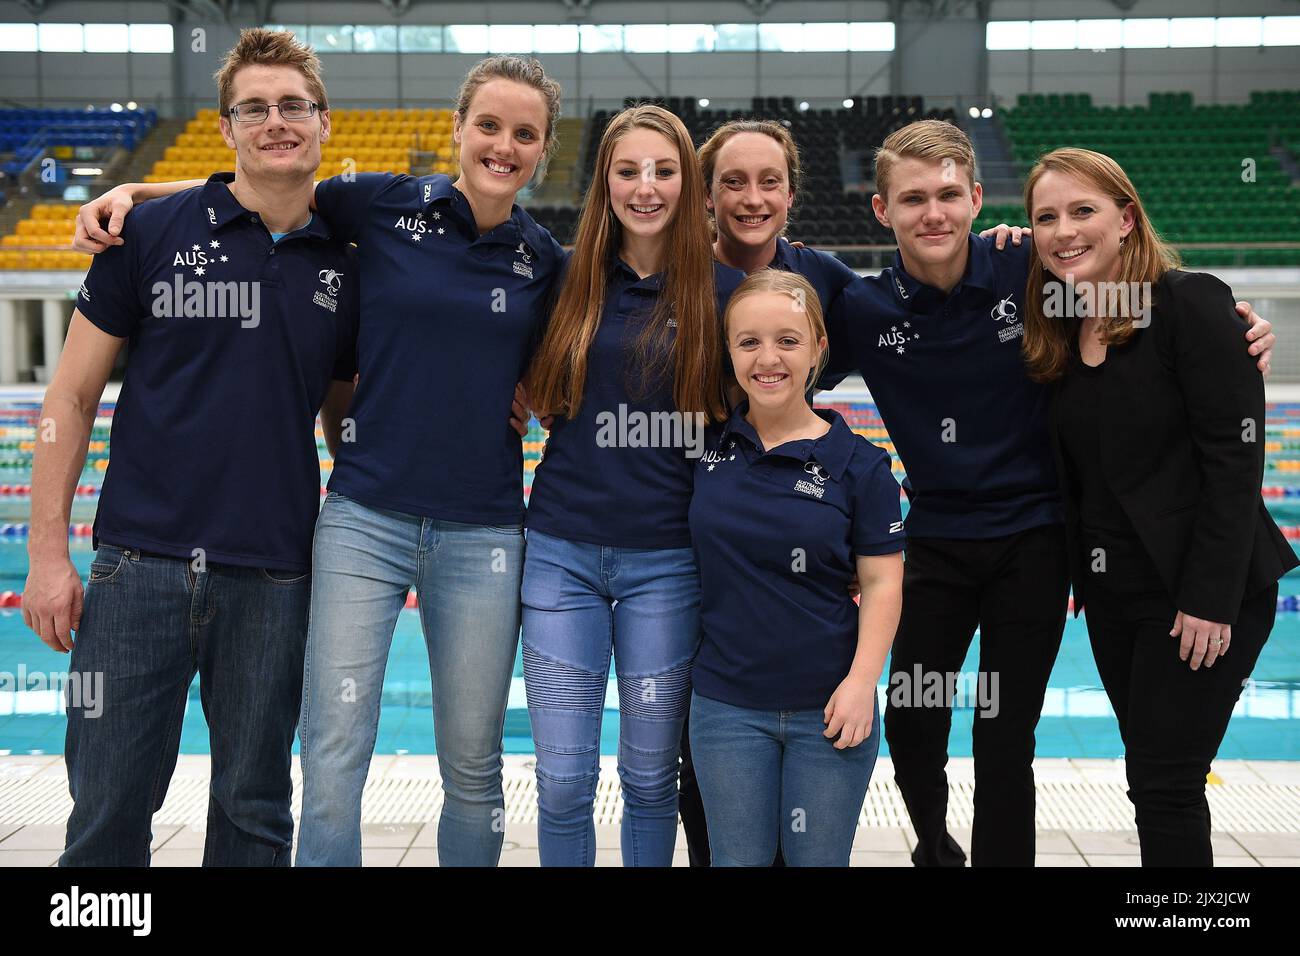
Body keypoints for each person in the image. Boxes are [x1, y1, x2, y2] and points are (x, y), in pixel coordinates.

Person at [75, 54, 568, 867]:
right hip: (362, 520)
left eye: (524, 134)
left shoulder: (544, 259)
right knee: (333, 759)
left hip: (483, 530)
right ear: (458, 130)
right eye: (488, 125)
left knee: (474, 766)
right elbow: (256, 188)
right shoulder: (382, 203)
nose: (503, 145)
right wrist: (131, 193)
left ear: (542, 148)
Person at [820, 119, 1276, 866]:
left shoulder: (1027, 272)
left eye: (946, 195)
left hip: (1034, 545)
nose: (931, 213)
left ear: (973, 198)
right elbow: (779, 368)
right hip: (935, 543)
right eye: (912, 199)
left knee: (1006, 736)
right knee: (910, 719)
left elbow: (1155, 303)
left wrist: (1242, 330)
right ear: (882, 211)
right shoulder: (865, 313)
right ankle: (934, 847)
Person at [24, 28, 358, 866]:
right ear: (225, 127)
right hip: (138, 565)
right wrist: (46, 554)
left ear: (324, 123)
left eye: (293, 106)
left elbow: (344, 424)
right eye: (255, 108)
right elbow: (68, 396)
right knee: (105, 809)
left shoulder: (351, 266)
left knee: (254, 813)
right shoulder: (147, 232)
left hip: (275, 575)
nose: (275, 122)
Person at [1022, 147, 1297, 866]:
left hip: (1205, 592)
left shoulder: (1187, 303)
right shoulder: (1059, 323)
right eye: (1045, 217)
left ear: (1127, 218)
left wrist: (1209, 599)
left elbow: (1234, 460)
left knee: (1165, 780)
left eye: (1084, 210)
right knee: (1153, 777)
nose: (1064, 230)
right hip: (1117, 596)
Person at [521, 104, 743, 866]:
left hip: (669, 564)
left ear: (689, 183)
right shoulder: (563, 277)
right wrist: (143, 195)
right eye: (627, 170)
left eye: (664, 170)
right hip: (560, 556)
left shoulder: (726, 295)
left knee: (651, 778)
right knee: (561, 780)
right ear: (603, 182)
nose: (645, 187)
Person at [688, 269, 904, 866]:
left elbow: (885, 580)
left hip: (829, 709)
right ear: (728, 350)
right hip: (726, 709)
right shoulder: (704, 448)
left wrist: (864, 684)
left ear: (818, 348)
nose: (768, 359)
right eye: (748, 341)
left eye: (787, 340)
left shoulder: (858, 464)